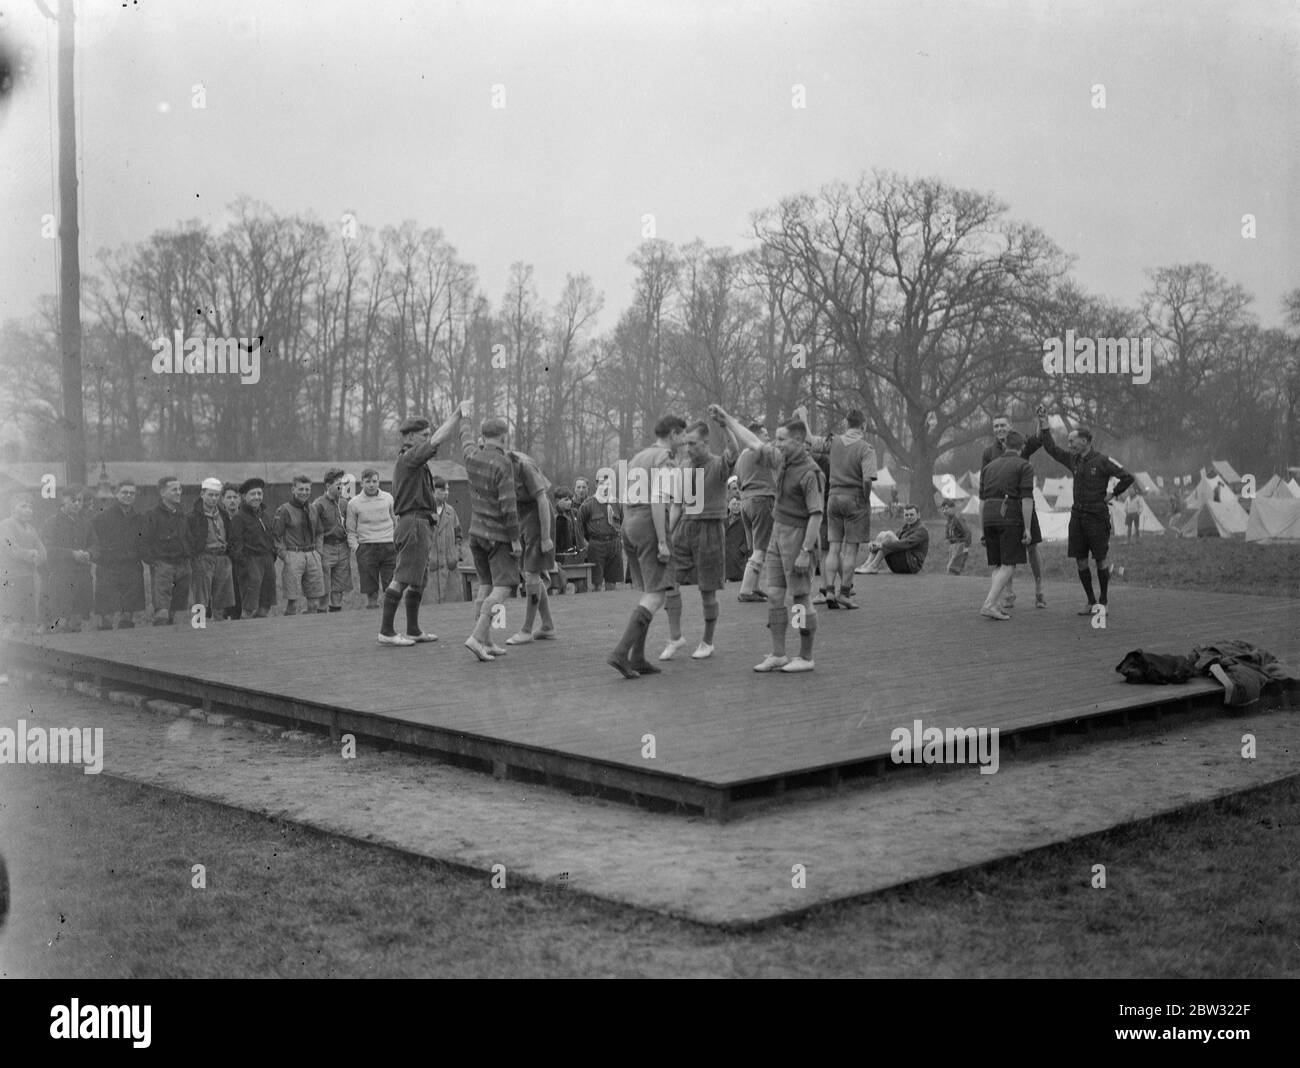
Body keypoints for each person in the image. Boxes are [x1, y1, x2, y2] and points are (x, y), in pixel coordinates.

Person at [710, 406, 824, 672]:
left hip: (799, 538)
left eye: (782, 439)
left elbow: (816, 515)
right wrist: (727, 419)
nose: (777, 443)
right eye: (776, 439)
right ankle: (778, 653)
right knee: (774, 595)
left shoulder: (811, 472)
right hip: (778, 533)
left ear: (798, 440)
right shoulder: (782, 459)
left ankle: (805, 656)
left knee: (800, 598)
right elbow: (753, 442)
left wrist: (806, 551)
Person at [607, 414, 687, 678]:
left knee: (649, 592)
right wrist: (663, 540)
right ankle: (621, 652)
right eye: (683, 436)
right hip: (649, 524)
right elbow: (658, 499)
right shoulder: (665, 458)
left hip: (629, 524)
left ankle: (638, 657)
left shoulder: (639, 457)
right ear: (674, 434)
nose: (684, 442)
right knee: (656, 594)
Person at [378, 408, 463, 646]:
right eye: (423, 434)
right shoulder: (409, 458)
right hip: (413, 523)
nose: (428, 437)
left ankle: (413, 630)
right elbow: (437, 441)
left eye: (427, 434)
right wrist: (456, 416)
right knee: (403, 577)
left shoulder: (414, 461)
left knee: (418, 580)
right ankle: (386, 631)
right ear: (409, 437)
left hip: (420, 523)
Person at [1038, 419, 1135, 618]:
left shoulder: (1102, 460)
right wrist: (1044, 425)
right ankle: (1090, 601)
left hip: (1097, 516)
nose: (1069, 444)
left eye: (1073, 441)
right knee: (1081, 561)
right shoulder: (1073, 459)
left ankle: (1104, 601)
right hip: (1077, 517)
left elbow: (1127, 477)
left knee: (1100, 559)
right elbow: (1051, 448)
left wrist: (1113, 494)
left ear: (1085, 441)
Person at [659, 419, 734, 661]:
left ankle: (707, 641)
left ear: (705, 442)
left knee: (707, 591)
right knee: (670, 582)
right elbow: (676, 505)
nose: (688, 448)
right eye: (686, 443)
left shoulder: (718, 465)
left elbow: (733, 451)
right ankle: (675, 636)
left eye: (693, 444)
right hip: (684, 530)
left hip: (710, 529)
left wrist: (726, 425)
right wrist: (666, 538)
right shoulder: (683, 467)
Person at [459, 408, 522, 662]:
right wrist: (516, 539)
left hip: (476, 535)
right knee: (503, 588)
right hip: (499, 537)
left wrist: (465, 417)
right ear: (504, 438)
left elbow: (464, 438)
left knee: (485, 586)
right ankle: (476, 637)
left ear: (483, 437)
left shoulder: (472, 455)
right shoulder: (503, 462)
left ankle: (485, 641)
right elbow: (508, 504)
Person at [808, 409, 876, 609]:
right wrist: (865, 496)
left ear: (847, 423)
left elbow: (811, 441)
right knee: (850, 550)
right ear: (863, 425)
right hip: (854, 498)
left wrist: (804, 418)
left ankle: (828, 590)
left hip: (833, 498)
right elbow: (867, 479)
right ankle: (844, 593)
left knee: (833, 548)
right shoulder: (866, 449)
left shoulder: (833, 442)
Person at [982, 412, 1049, 608]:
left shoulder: (1019, 443)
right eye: (995, 426)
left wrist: (1040, 420)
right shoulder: (988, 453)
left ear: (1010, 426)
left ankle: (1039, 589)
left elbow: (1038, 440)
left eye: (1002, 425)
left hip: (1024, 504)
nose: (999, 429)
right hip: (1002, 510)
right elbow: (983, 489)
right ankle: (1008, 593)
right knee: (1003, 554)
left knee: (1032, 547)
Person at [503, 449, 558, 644]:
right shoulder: (497, 465)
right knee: (530, 573)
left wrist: (545, 538)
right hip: (523, 517)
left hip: (538, 517)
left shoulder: (523, 466)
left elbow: (542, 499)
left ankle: (526, 630)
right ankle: (547, 626)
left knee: (532, 574)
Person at [978, 432, 1034, 619]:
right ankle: (989, 604)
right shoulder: (1024, 466)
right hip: (1009, 515)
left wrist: (982, 529)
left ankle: (994, 604)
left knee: (998, 565)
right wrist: (1027, 528)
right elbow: (1026, 498)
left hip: (989, 516)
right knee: (1009, 565)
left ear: (1004, 445)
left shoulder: (988, 468)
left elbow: (982, 501)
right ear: (1022, 447)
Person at [42, 485, 96, 632]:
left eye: (80, 500)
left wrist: (89, 554)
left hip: (82, 578)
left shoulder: (86, 523)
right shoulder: (51, 523)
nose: (77, 504)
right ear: (63, 500)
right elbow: (48, 550)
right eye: (73, 500)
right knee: (60, 622)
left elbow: (95, 545)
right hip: (61, 578)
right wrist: (72, 554)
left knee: (77, 622)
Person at [92, 480, 145, 629]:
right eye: (125, 492)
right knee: (106, 615)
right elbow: (93, 543)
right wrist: (104, 559)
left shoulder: (138, 519)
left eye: (132, 493)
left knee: (128, 614)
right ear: (116, 493)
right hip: (109, 569)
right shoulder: (101, 518)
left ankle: (126, 648)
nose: (128, 496)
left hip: (132, 569)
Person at [733, 420, 776, 603]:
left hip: (745, 503)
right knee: (760, 549)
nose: (768, 437)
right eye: (765, 434)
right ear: (755, 435)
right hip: (762, 501)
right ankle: (746, 590)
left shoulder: (742, 456)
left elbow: (739, 481)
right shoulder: (761, 452)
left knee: (754, 548)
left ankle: (755, 586)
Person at [143, 476, 193, 625]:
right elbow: (144, 542)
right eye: (174, 490)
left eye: (180, 489)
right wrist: (154, 561)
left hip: (183, 567)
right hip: (163, 567)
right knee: (162, 614)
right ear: (162, 493)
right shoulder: (152, 515)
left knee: (179, 614)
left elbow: (189, 538)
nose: (178, 492)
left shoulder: (182, 515)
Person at [273, 475, 323, 616]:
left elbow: (320, 532)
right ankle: (289, 634)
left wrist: (318, 552)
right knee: (293, 603)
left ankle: (310, 635)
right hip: (293, 555)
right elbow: (276, 536)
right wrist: (285, 556)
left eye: (307, 489)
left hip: (312, 555)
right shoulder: (284, 510)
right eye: (301, 489)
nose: (304, 492)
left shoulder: (313, 509)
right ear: (293, 489)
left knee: (314, 603)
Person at [347, 468, 396, 609]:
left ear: (378, 481)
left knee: (391, 588)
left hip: (388, 546)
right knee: (371, 591)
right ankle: (371, 620)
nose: (371, 485)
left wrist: (396, 543)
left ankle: (390, 621)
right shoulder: (354, 503)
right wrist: (357, 549)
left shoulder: (388, 498)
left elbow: (395, 522)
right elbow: (350, 531)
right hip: (367, 549)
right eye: (367, 481)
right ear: (362, 483)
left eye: (374, 481)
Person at [188, 477, 235, 623]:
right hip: (204, 558)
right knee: (200, 597)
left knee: (222, 598)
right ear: (202, 494)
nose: (214, 498)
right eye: (210, 495)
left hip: (222, 558)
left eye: (216, 495)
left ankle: (219, 626)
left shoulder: (223, 514)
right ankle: (198, 626)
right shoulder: (194, 516)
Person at [230, 478, 277, 619]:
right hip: (251, 563)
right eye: (253, 494)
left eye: (259, 493)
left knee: (265, 606)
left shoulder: (265, 515)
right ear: (244, 497)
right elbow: (235, 545)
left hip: (267, 562)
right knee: (249, 608)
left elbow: (270, 537)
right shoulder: (239, 518)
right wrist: (245, 564)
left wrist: (272, 555)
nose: (257, 497)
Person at [0, 493, 47, 632]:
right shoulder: (5, 525)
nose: (28, 510)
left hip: (28, 576)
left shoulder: (31, 528)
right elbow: (11, 549)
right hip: (10, 577)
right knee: (12, 619)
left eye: (30, 507)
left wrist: (38, 557)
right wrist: (30, 553)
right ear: (12, 509)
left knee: (27, 619)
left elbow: (42, 551)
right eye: (23, 506)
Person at [309, 469, 352, 613]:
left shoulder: (345, 504)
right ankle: (321, 616)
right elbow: (313, 529)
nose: (341, 487)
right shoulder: (318, 504)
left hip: (343, 547)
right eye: (338, 484)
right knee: (325, 587)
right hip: (326, 547)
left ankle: (336, 619)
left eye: (343, 484)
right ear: (328, 486)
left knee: (339, 588)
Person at [577, 474, 622, 591]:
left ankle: (611, 608)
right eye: (601, 484)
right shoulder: (587, 505)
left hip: (614, 545)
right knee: (596, 583)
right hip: (596, 546)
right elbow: (578, 529)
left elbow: (623, 523)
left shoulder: (617, 504)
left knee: (612, 583)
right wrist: (586, 544)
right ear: (596, 485)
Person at [424, 475, 464, 604]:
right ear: (431, 490)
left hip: (449, 565)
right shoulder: (422, 512)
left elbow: (459, 535)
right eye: (441, 490)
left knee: (452, 608)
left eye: (447, 489)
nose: (446, 493)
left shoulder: (451, 511)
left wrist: (456, 554)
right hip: (431, 567)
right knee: (430, 609)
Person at [856, 504, 929, 574]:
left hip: (912, 565)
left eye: (911, 514)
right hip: (900, 564)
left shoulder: (921, 530)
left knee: (888, 535)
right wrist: (874, 544)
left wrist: (881, 545)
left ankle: (873, 566)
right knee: (882, 535)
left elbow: (906, 544)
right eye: (906, 515)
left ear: (918, 515)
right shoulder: (905, 527)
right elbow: (894, 540)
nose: (909, 517)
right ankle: (867, 564)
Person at [221, 483, 244, 618]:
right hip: (223, 563)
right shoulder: (219, 518)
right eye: (229, 497)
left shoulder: (244, 518)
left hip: (241, 563)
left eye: (235, 497)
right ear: (222, 499)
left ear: (240, 499)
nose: (232, 501)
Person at [553, 487, 587, 567]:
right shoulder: (554, 517)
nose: (569, 502)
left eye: (570, 499)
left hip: (576, 555)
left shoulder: (575, 513)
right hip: (559, 557)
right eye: (566, 500)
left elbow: (580, 533)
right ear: (557, 501)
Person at [941, 498, 972, 575]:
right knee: (954, 568)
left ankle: (950, 584)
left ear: (953, 508)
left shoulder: (957, 519)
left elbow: (967, 532)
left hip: (960, 544)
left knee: (952, 568)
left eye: (947, 508)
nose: (945, 511)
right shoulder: (949, 521)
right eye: (943, 509)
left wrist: (966, 547)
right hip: (953, 546)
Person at [724, 494, 748, 582]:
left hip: (738, 559)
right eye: (734, 504)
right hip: (725, 557)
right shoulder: (723, 519)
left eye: (738, 504)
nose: (736, 507)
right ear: (729, 505)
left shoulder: (745, 520)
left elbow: (750, 537)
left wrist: (742, 551)